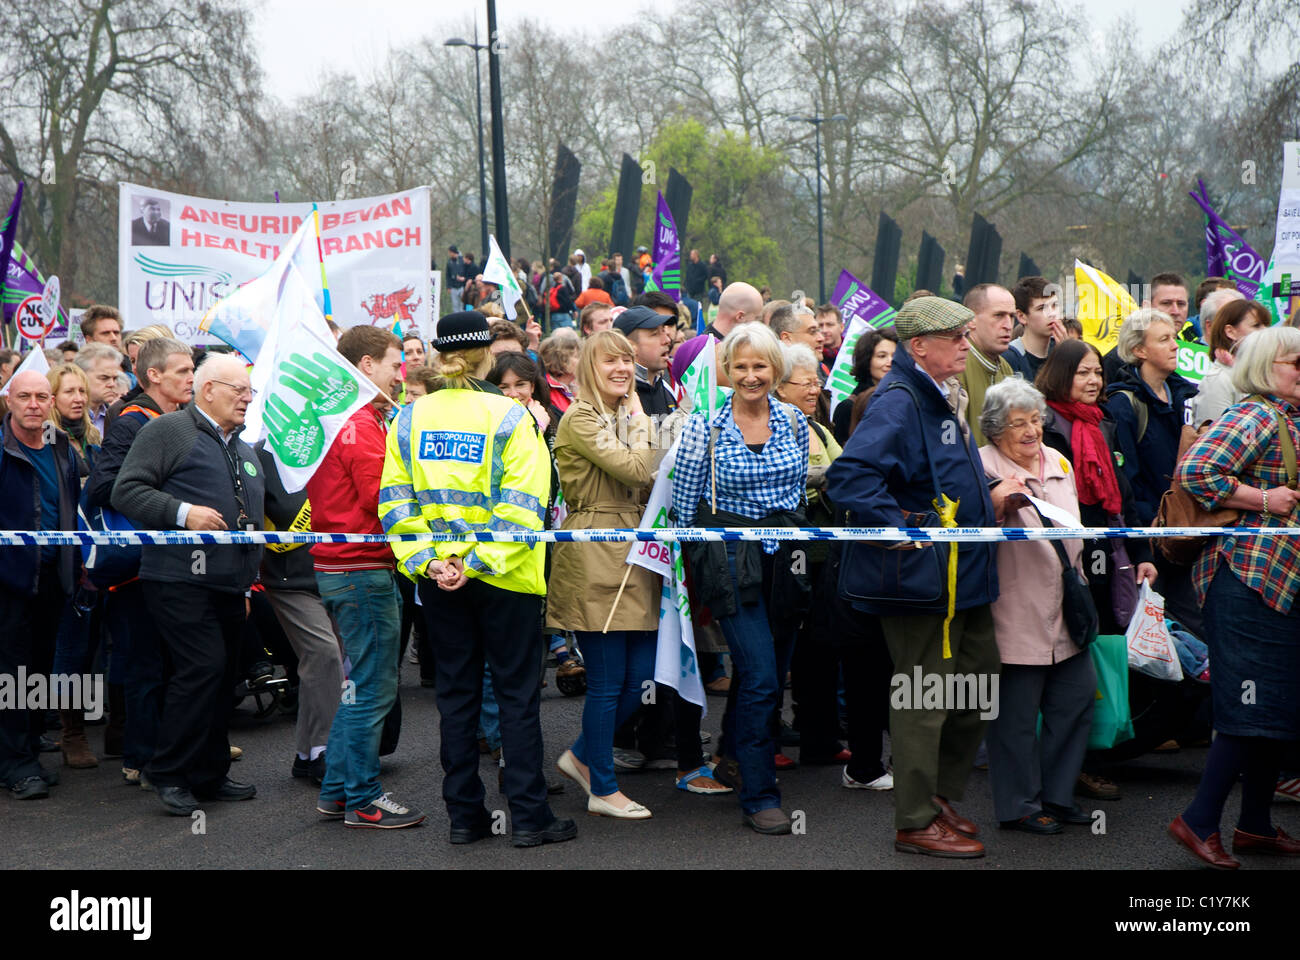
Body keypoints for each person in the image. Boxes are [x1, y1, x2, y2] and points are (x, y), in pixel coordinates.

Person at [380, 310, 575, 848]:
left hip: (440, 581)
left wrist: (432, 562)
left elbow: (396, 504)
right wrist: (479, 563)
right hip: (505, 579)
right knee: (515, 698)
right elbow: (524, 508)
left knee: (457, 698)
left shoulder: (409, 419)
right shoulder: (511, 417)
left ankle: (465, 816)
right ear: (486, 354)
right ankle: (530, 818)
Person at [826, 296, 1003, 859]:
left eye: (965, 334)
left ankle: (939, 797)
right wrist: (904, 525)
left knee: (979, 682)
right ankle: (915, 819)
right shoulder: (898, 400)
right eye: (955, 337)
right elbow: (849, 478)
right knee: (925, 694)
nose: (965, 345)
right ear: (918, 346)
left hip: (965, 574)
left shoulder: (939, 392)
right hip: (925, 578)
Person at [671, 322, 810, 835]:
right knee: (759, 676)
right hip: (730, 560)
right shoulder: (704, 424)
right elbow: (684, 505)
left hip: (785, 561)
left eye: (761, 366)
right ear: (727, 370)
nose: (751, 376)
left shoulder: (795, 421)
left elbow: (797, 496)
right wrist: (695, 572)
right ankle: (758, 794)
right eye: (741, 367)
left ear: (776, 369)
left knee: (775, 673)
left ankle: (734, 758)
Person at [1169, 326, 1300, 867]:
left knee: (1273, 708)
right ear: (1267, 368)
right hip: (1245, 579)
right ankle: (1197, 821)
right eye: (1297, 362)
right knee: (1247, 709)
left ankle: (1253, 826)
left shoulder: (1287, 418)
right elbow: (1197, 471)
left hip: (1276, 582)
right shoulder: (1254, 414)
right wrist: (1263, 498)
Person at [111, 353, 262, 815]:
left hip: (229, 583)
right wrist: (183, 513)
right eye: (238, 390)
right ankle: (168, 772)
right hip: (179, 577)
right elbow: (126, 490)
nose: (247, 398)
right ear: (208, 388)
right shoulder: (168, 430)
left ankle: (209, 772)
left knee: (222, 676)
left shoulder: (242, 446)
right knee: (202, 668)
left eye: (249, 391)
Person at [302, 325, 422, 829]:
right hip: (361, 569)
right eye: (396, 364)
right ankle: (364, 799)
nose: (402, 374)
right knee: (372, 687)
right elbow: (385, 499)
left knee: (360, 684)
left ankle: (336, 792)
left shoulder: (343, 419)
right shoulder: (359, 423)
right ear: (367, 365)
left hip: (346, 567)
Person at [549, 330, 666, 818]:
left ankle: (580, 755)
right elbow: (641, 469)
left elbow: (655, 467)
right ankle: (602, 786)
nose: (621, 369)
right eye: (608, 362)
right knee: (606, 681)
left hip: (635, 547)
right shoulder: (580, 417)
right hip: (596, 545)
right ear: (587, 370)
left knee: (641, 676)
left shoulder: (618, 414)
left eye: (625, 360)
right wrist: (643, 420)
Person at [977, 379, 1098, 834]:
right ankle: (1019, 806)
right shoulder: (982, 465)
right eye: (1017, 423)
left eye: (1035, 420)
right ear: (993, 429)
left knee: (1076, 700)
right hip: (1013, 606)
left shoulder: (1058, 460)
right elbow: (968, 526)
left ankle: (1058, 796)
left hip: (1067, 604)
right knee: (1014, 717)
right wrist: (996, 500)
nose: (1031, 431)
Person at [85, 337, 193, 789]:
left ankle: (176, 750)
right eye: (183, 370)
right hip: (139, 563)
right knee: (146, 661)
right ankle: (142, 757)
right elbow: (103, 486)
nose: (192, 377)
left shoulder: (185, 419)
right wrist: (171, 504)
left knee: (179, 662)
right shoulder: (131, 421)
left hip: (180, 561)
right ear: (154, 376)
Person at [1036, 339, 1158, 634]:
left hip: (1108, 543)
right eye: (1082, 373)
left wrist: (1141, 553)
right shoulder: (1042, 424)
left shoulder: (1102, 421)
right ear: (1061, 374)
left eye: (1098, 373)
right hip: (1065, 550)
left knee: (1109, 628)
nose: (1093, 381)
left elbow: (1121, 491)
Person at [0, 371, 82, 798]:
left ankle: (26, 751)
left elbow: (69, 508)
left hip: (53, 576)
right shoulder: (2, 450)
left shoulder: (60, 447)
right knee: (12, 674)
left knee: (38, 672)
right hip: (9, 581)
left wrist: (76, 564)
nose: (33, 404)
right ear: (9, 401)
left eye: (40, 397)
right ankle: (17, 764)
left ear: (50, 401)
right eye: (24, 396)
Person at [775, 343, 850, 765]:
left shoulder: (819, 429)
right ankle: (765, 740)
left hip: (824, 558)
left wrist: (826, 478)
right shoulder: (773, 427)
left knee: (821, 649)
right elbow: (783, 478)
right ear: (781, 388)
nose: (815, 389)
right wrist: (822, 477)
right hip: (787, 552)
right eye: (806, 382)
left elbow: (847, 471)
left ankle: (819, 737)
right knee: (777, 649)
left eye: (817, 381)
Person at [256, 439, 343, 787]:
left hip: (332, 571)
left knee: (319, 666)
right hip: (288, 579)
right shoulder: (262, 453)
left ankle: (308, 753)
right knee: (324, 655)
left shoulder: (334, 443)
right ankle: (326, 750)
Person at [1104, 308, 1197, 526]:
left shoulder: (1187, 397)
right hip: (1151, 529)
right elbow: (1127, 479)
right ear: (1139, 350)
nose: (1175, 346)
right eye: (1164, 340)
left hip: (1188, 523)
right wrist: (1150, 519)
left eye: (1174, 338)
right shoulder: (1123, 404)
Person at [957, 283, 1016, 446]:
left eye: (1011, 316)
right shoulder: (956, 364)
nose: (1008, 325)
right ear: (971, 320)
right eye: (999, 315)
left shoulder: (1005, 367)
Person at [1194, 299, 1269, 424]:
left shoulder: (1263, 376)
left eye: (1267, 325)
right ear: (1230, 331)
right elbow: (1213, 438)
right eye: (1256, 326)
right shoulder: (1219, 380)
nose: (1265, 331)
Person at [831, 327, 897, 445]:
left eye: (895, 355)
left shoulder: (904, 398)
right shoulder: (848, 408)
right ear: (867, 360)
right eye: (882, 356)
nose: (890, 362)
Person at [614, 305, 676, 416]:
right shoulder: (616, 398)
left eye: (664, 332)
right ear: (630, 347)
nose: (667, 340)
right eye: (655, 334)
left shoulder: (667, 390)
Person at [1005, 276, 1065, 381]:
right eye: (1042, 308)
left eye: (1055, 305)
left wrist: (1067, 356)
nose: (1052, 314)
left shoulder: (1060, 349)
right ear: (1022, 317)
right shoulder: (1010, 357)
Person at [46, 363, 100, 474]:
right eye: (69, 392)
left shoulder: (93, 434)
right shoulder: (47, 435)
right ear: (53, 398)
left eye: (82, 391)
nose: (79, 399)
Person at [73, 343, 123, 437]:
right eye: (104, 378)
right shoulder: (60, 418)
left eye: (115, 378)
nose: (112, 384)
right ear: (81, 375)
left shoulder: (116, 414)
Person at [540, 335, 580, 414]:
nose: (582, 360)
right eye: (576, 356)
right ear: (562, 361)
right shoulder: (547, 390)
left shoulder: (575, 386)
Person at [447, 245, 465, 312]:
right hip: (453, 287)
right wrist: (448, 286)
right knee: (455, 305)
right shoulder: (449, 262)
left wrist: (463, 278)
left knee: (462, 304)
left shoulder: (462, 260)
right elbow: (448, 275)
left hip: (461, 286)